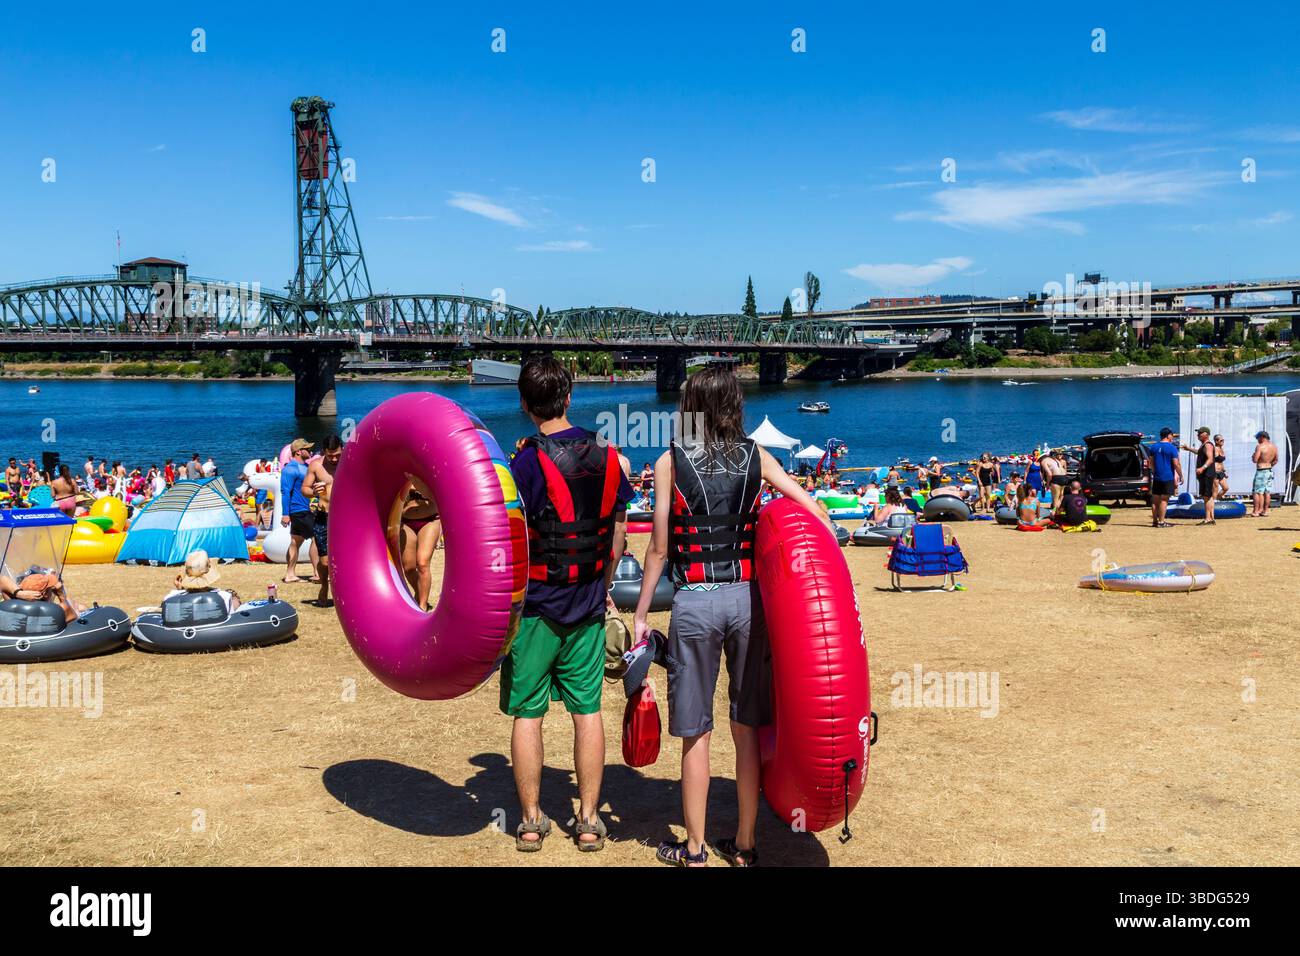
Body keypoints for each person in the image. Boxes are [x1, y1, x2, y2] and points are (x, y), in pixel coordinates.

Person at [633, 365, 832, 868]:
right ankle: (744, 845)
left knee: (696, 732)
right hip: (747, 601)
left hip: (696, 602)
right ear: (733, 405)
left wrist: (640, 614)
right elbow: (811, 509)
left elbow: (658, 549)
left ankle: (695, 849)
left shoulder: (669, 462)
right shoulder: (757, 456)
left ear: (692, 407)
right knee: (746, 727)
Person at [503, 356, 632, 853]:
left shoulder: (525, 463)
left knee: (528, 715)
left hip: (536, 609)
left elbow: (511, 540)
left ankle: (532, 821)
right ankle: (588, 819)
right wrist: (599, 582)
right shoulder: (608, 454)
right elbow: (617, 536)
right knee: (588, 711)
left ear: (523, 404)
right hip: (587, 607)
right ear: (570, 396)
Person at [303, 435, 342, 607]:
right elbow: (304, 488)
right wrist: (314, 492)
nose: (334, 459)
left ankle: (343, 593)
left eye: (337, 455)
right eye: (330, 455)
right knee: (325, 561)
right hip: (323, 516)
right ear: (324, 452)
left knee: (344, 559)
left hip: (345, 518)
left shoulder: (350, 461)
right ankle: (324, 586)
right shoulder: (316, 465)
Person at [398, 483, 442, 610]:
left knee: (422, 563)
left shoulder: (427, 468)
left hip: (430, 520)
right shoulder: (402, 471)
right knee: (408, 567)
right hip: (406, 521)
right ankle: (419, 593)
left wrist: (416, 486)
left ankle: (422, 606)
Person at [279, 438, 315, 583]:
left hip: (304, 508)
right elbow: (285, 492)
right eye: (307, 448)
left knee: (296, 541)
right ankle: (318, 573)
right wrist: (285, 514)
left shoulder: (307, 467)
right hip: (298, 510)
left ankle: (290, 574)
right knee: (317, 537)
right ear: (299, 451)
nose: (311, 451)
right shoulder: (290, 469)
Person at [0, 570, 84, 623]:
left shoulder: (13, 606)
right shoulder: (57, 611)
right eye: (50, 589)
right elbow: (75, 617)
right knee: (78, 606)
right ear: (45, 594)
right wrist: (62, 596)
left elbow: (3, 579)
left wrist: (19, 594)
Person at [1147, 427, 1183, 528]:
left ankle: (1155, 521)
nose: (1172, 437)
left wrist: (1154, 472)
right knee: (1164, 500)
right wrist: (1181, 475)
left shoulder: (1153, 447)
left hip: (1157, 477)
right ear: (1168, 436)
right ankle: (1161, 522)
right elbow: (1176, 464)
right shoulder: (1172, 448)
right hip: (1167, 477)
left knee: (1155, 500)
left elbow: (1151, 463)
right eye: (1172, 435)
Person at [1192, 427, 1217, 525]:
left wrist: (1202, 468)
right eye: (1198, 433)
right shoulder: (1204, 445)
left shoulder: (1208, 445)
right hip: (1206, 474)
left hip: (1207, 474)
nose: (1198, 435)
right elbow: (1199, 452)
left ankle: (1208, 518)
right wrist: (1188, 448)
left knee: (1207, 496)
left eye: (1200, 433)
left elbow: (1210, 459)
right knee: (1208, 496)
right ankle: (1211, 517)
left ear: (1206, 434)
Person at [1251, 430, 1278, 517]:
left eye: (1258, 438)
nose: (1257, 440)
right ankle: (1265, 511)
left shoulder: (1260, 447)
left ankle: (1256, 511)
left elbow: (1255, 460)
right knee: (1267, 492)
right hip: (1269, 471)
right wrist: (1269, 465)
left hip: (1261, 471)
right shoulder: (1274, 447)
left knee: (1257, 492)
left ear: (1262, 437)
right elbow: (1276, 460)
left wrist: (1253, 455)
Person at [1212, 435, 1229, 500]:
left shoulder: (1221, 449)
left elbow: (1221, 461)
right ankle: (1213, 503)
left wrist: (1224, 471)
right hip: (1214, 471)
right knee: (1215, 490)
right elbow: (1209, 460)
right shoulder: (1214, 449)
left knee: (1225, 488)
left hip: (1220, 472)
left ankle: (1215, 500)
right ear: (1216, 441)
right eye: (1221, 440)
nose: (1223, 442)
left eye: (1223, 440)